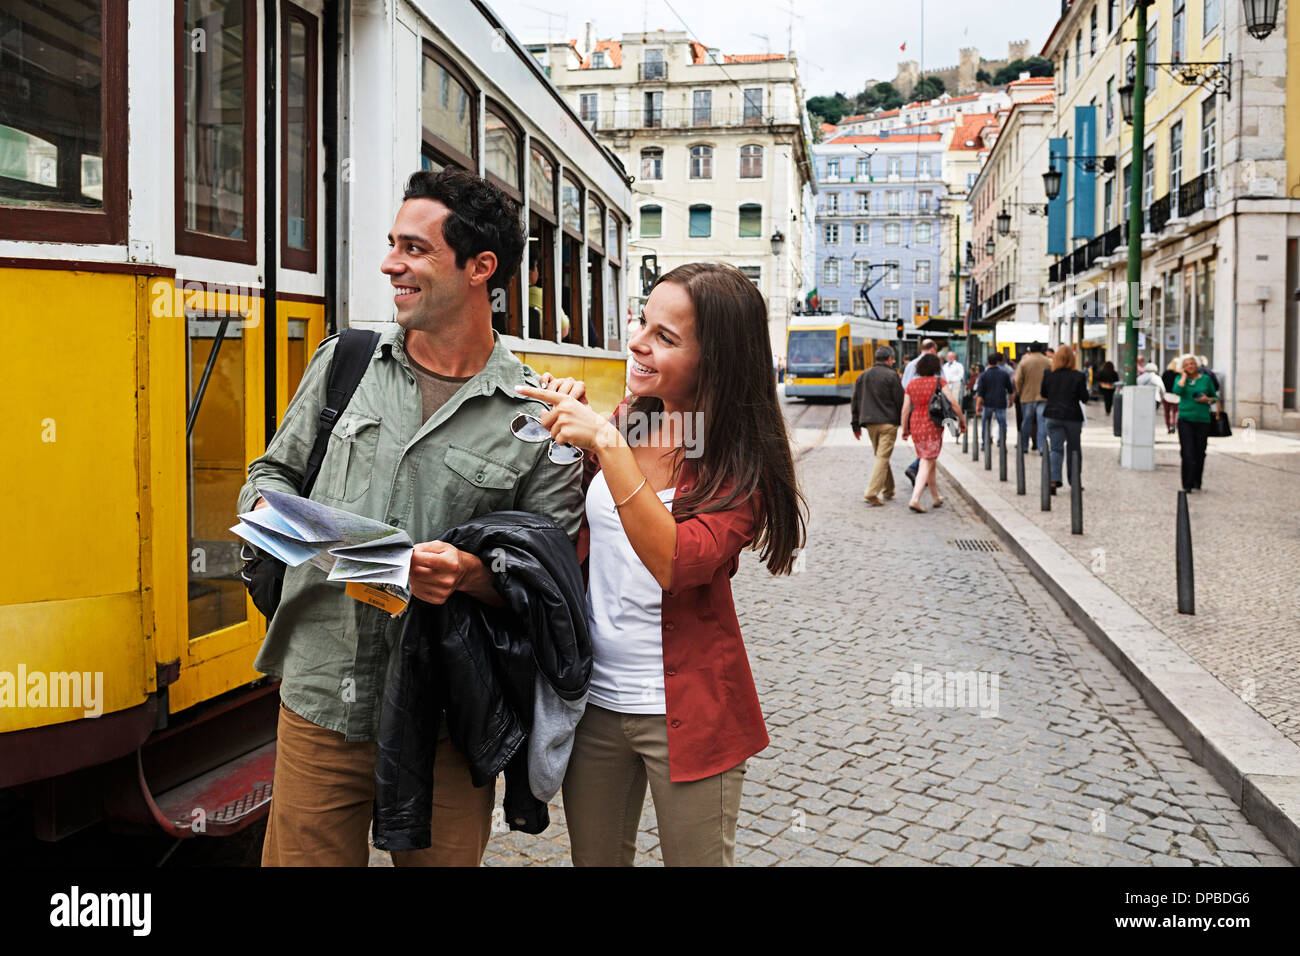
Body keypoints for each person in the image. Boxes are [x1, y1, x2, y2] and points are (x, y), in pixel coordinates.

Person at [240, 168, 584, 866]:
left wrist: (467, 575)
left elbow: (548, 585)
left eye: (415, 249)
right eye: (393, 244)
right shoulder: (346, 361)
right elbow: (270, 475)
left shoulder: (537, 414)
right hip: (320, 701)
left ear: (480, 267)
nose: (390, 263)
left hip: (447, 724)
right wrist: (278, 518)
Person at [517, 262, 807, 866]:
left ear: (715, 360)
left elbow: (676, 561)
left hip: (690, 710)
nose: (637, 343)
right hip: (595, 703)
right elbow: (577, 521)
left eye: (665, 337)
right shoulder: (633, 419)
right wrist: (564, 429)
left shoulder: (737, 464)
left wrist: (605, 442)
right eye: (643, 322)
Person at [900, 352, 965, 513]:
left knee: (930, 459)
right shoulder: (939, 382)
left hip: (916, 423)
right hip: (933, 424)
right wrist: (962, 421)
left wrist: (905, 428)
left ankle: (935, 497)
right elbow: (953, 402)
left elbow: (905, 409)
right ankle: (915, 498)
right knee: (926, 460)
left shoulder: (911, 385)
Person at [852, 345, 906, 506]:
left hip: (869, 424)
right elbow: (900, 400)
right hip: (888, 423)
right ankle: (872, 492)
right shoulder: (892, 376)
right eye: (893, 359)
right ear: (889, 359)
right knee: (882, 457)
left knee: (881, 456)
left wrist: (855, 424)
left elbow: (855, 401)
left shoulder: (863, 376)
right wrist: (905, 423)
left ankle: (889, 489)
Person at [1039, 344, 1089, 493]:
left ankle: (1054, 480)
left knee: (1055, 448)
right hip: (1073, 417)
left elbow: (1043, 393)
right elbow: (1084, 398)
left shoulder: (1049, 374)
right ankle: (1074, 481)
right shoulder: (1079, 376)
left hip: (1053, 415)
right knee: (1074, 449)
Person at [1173, 353, 1222, 493]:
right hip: (1185, 419)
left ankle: (1197, 481)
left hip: (1203, 420)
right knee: (1187, 452)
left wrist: (1207, 399)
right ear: (1182, 367)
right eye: (1187, 364)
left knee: (1200, 452)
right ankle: (1187, 484)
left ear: (1197, 365)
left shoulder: (1206, 379)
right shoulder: (1180, 379)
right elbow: (1177, 391)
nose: (1190, 366)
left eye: (1192, 363)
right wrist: (1183, 376)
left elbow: (1215, 397)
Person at [900, 338, 939, 484]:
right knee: (929, 448)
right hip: (932, 412)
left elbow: (905, 388)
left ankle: (924, 477)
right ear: (932, 350)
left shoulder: (910, 365)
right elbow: (943, 388)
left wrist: (904, 425)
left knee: (923, 446)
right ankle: (916, 470)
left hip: (914, 412)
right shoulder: (934, 365)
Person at [1014, 341, 1050, 454]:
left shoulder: (1024, 362)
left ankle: (1024, 446)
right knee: (1042, 422)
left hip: (1027, 396)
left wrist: (1020, 390)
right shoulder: (1048, 362)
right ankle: (1041, 447)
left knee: (1026, 421)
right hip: (1043, 397)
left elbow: (1017, 379)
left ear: (1030, 350)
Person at [973, 351, 1014, 451]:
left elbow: (980, 393)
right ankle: (1001, 442)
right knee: (1002, 423)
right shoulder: (1004, 374)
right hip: (1000, 402)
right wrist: (1011, 400)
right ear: (997, 362)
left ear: (988, 362)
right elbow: (1010, 390)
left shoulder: (984, 375)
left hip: (987, 403)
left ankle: (984, 443)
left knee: (985, 424)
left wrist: (978, 406)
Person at [1161, 358, 1181, 433]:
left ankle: (1168, 426)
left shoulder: (1166, 373)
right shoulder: (1179, 374)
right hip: (1176, 396)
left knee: (1167, 412)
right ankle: (1173, 425)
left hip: (1167, 395)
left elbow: (1162, 383)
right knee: (1175, 412)